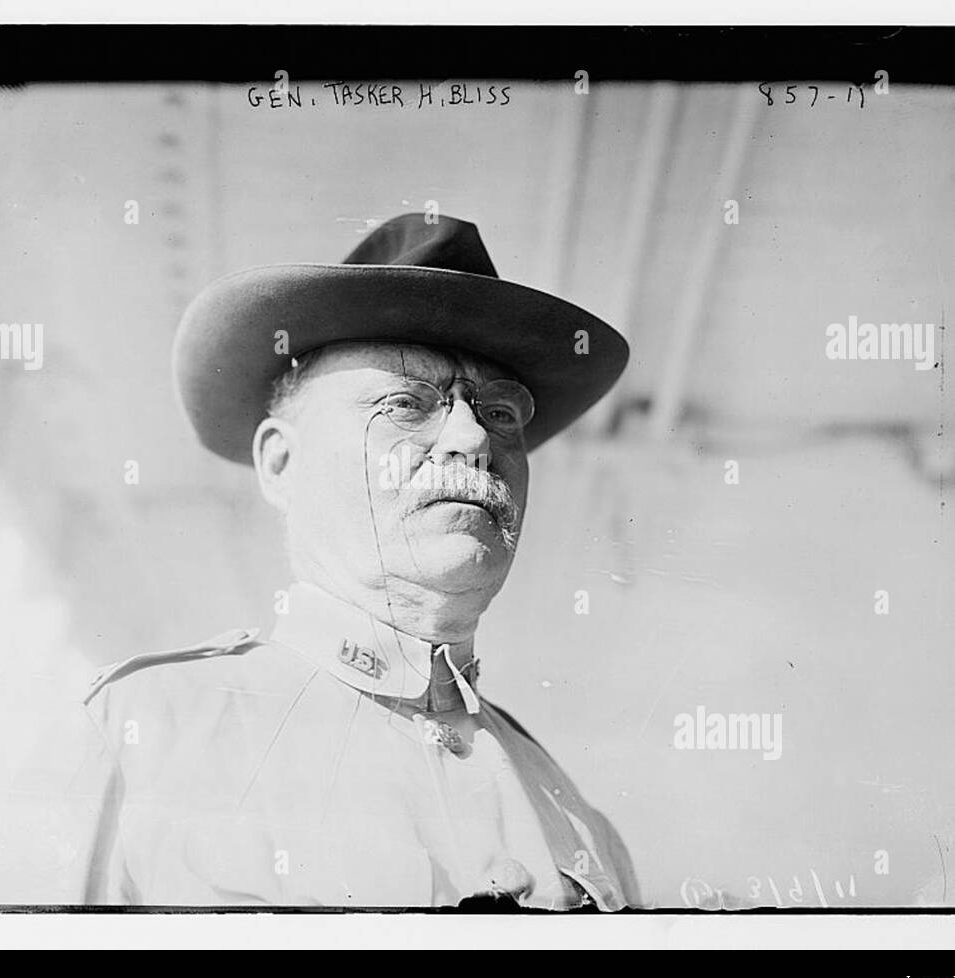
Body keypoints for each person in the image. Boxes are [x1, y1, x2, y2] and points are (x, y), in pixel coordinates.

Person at [81, 213, 640, 909]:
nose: (471, 437)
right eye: (404, 403)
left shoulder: (577, 821)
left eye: (500, 414)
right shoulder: (142, 738)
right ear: (281, 463)